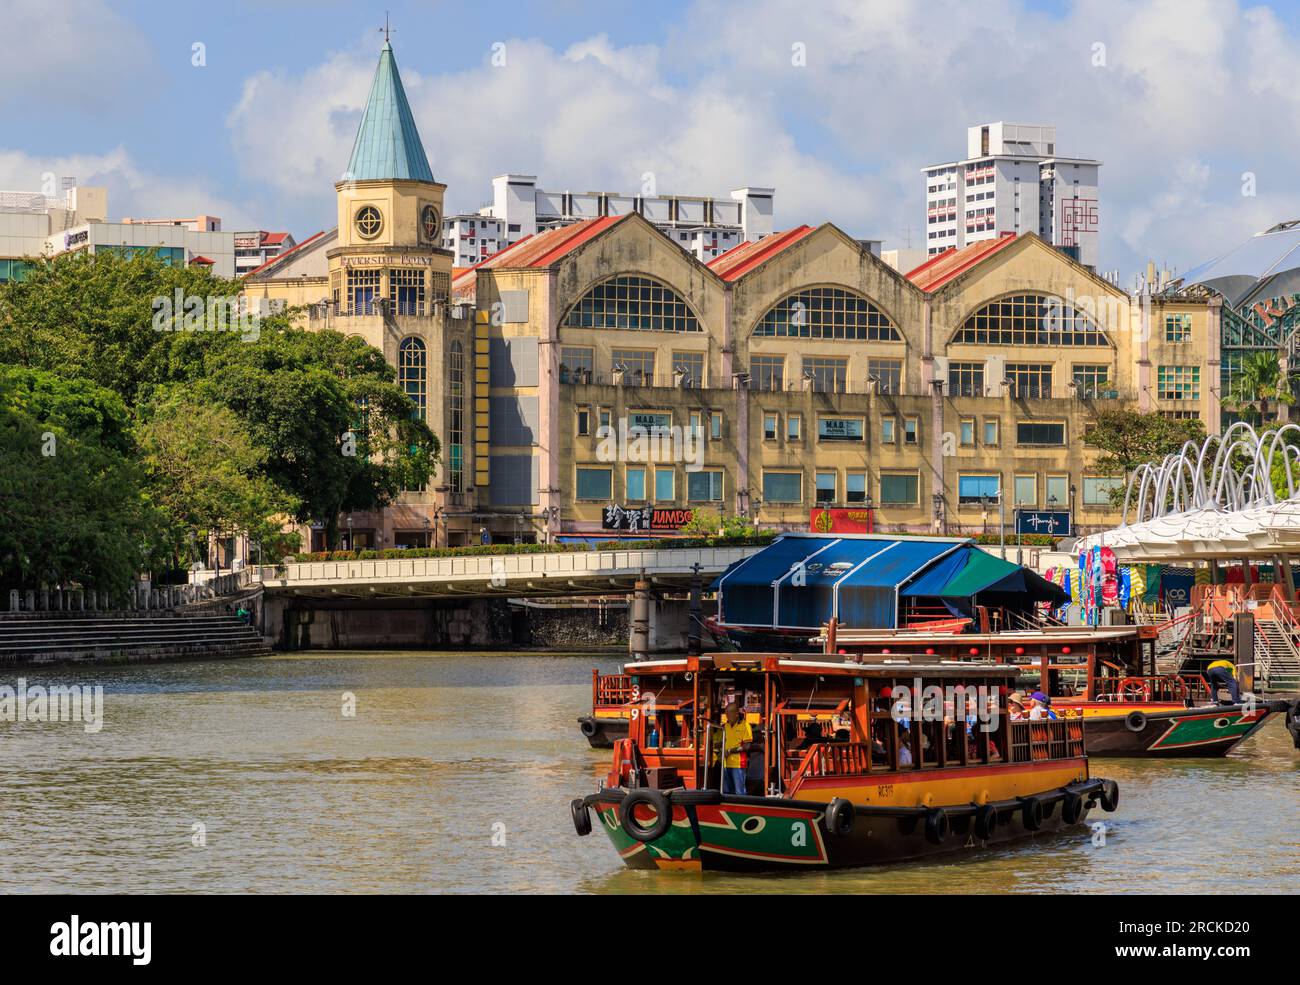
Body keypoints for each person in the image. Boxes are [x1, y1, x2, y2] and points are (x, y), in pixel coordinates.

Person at [720, 702, 753, 796]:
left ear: (736, 714)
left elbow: (747, 746)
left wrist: (730, 751)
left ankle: (741, 809)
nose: (726, 716)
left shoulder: (745, 726)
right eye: (726, 714)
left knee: (740, 792)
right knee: (726, 792)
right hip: (726, 763)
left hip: (738, 765)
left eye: (729, 714)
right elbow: (725, 742)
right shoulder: (725, 726)